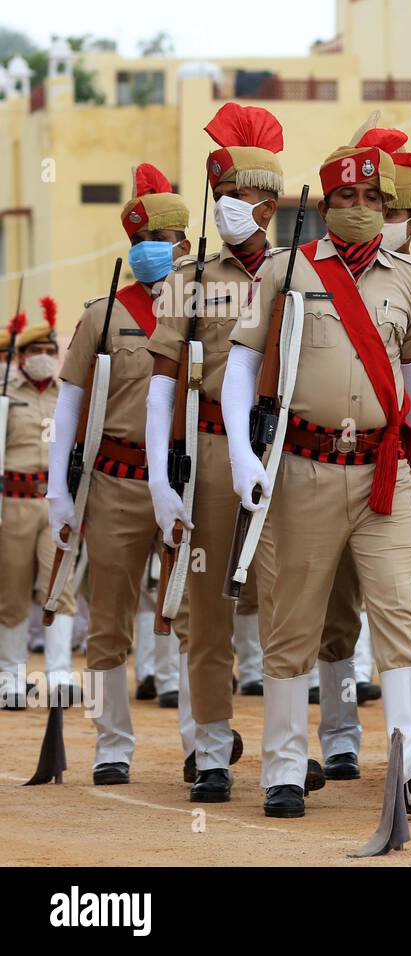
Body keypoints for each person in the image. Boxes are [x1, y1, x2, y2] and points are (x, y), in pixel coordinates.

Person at [225, 122, 411, 818]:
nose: (359, 206)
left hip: (381, 474)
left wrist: (406, 459)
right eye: (344, 195)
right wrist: (240, 455)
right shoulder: (285, 269)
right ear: (323, 205)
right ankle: (286, 769)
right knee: (293, 622)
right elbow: (238, 371)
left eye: (371, 196)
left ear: (387, 204)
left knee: (398, 613)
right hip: (303, 467)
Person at [145, 102, 283, 802]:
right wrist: (161, 484)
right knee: (208, 613)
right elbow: (163, 388)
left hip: (289, 451)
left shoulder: (301, 275)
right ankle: (210, 751)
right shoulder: (189, 280)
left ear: (273, 202)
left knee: (292, 610)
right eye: (225, 196)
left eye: (249, 196)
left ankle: (288, 759)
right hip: (207, 456)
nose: (235, 207)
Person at [48, 164, 191, 784]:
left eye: (160, 238)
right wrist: (58, 490)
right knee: (108, 619)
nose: (150, 251)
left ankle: (202, 743)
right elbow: (68, 405)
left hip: (188, 479)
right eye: (139, 241)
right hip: (113, 481)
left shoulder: (210, 307)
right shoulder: (104, 314)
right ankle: (112, 744)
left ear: (185, 243)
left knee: (193, 615)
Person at [0, 302, 77, 707]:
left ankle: (60, 674)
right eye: (35, 352)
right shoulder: (5, 396)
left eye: (50, 350)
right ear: (21, 357)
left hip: (55, 503)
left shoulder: (67, 394)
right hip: (12, 501)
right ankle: (10, 678)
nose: (44, 357)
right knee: (11, 593)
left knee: (58, 588)